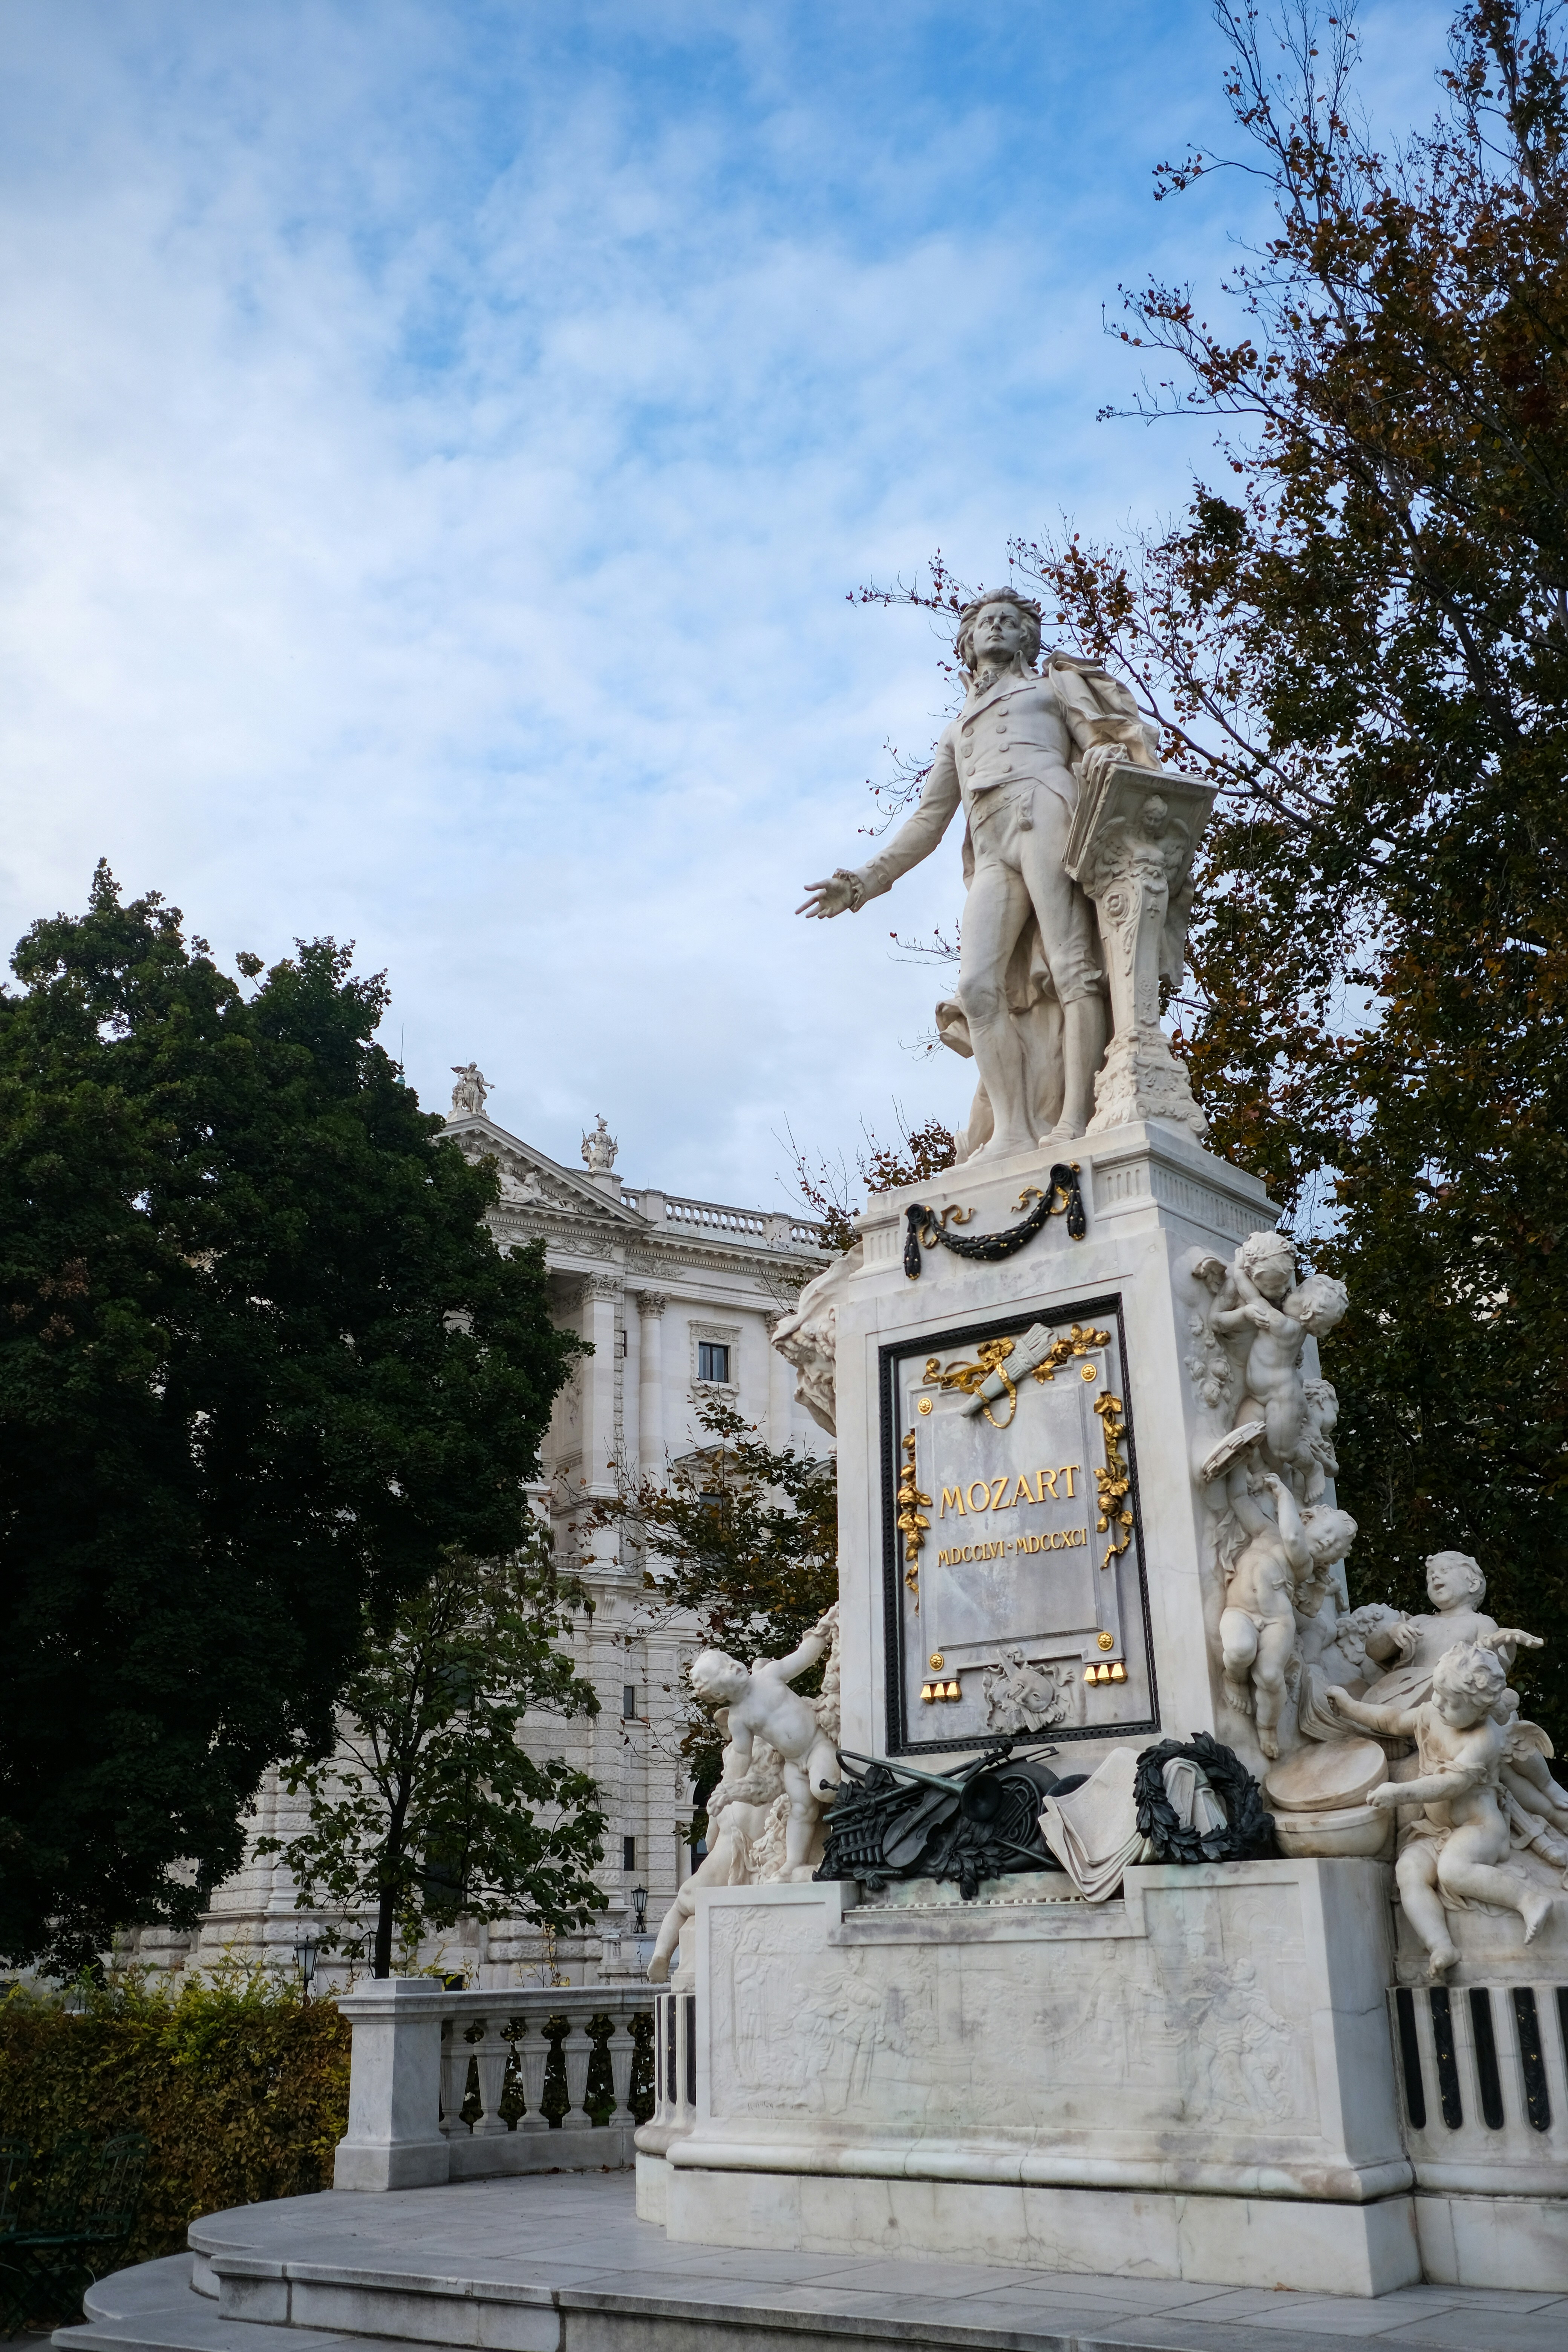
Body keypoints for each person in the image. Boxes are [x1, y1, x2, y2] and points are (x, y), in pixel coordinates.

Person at [796, 593, 1160, 1155]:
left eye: (1010, 622)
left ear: (1026, 640)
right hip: (990, 844)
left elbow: (1101, 746)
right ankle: (1013, 1130)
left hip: (1044, 811)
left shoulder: (1051, 687)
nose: (997, 626)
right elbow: (928, 819)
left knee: (1071, 965)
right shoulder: (956, 731)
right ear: (966, 646)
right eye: (986, 622)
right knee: (977, 987)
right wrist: (866, 879)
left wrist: (1104, 757)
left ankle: (1074, 1119)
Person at [1326, 1643, 1554, 1978]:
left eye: (1451, 1703)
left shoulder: (1484, 1739)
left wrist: (1398, 1792)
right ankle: (1440, 1945)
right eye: (1437, 1694)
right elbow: (1391, 1720)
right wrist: (1350, 1707)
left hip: (1480, 1828)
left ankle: (1529, 1900)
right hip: (1433, 1831)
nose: (1438, 1704)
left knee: (1452, 1870)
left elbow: (1448, 1786)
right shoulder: (1434, 1714)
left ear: (1480, 1711)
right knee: (1409, 1871)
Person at [689, 1607, 841, 1876]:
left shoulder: (769, 1676)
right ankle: (794, 1861)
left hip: (817, 1744)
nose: (734, 1665)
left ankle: (856, 1824)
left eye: (728, 1660)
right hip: (793, 1763)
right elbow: (742, 1755)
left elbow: (804, 1657)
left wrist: (825, 1628)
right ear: (718, 1693)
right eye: (724, 1670)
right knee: (801, 1809)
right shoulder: (737, 1719)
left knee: (823, 1789)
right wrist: (727, 1790)